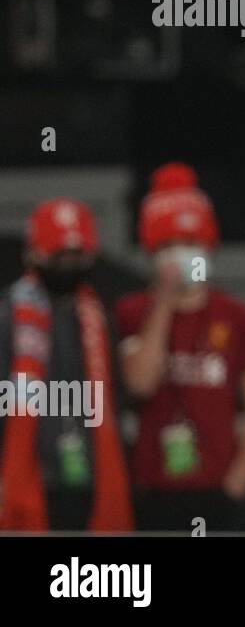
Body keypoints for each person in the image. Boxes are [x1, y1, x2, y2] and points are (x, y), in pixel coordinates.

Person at [116, 163, 245, 532]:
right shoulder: (132, 311)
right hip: (152, 490)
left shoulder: (237, 316)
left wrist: (237, 484)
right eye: (168, 246)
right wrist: (165, 303)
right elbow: (141, 382)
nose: (180, 255)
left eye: (190, 245)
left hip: (218, 491)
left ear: (208, 247)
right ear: (150, 251)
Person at [0, 200, 133, 532]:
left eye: (78, 256)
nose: (69, 265)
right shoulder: (9, 316)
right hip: (29, 473)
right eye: (60, 256)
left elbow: (114, 402)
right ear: (35, 255)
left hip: (87, 474)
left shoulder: (97, 317)